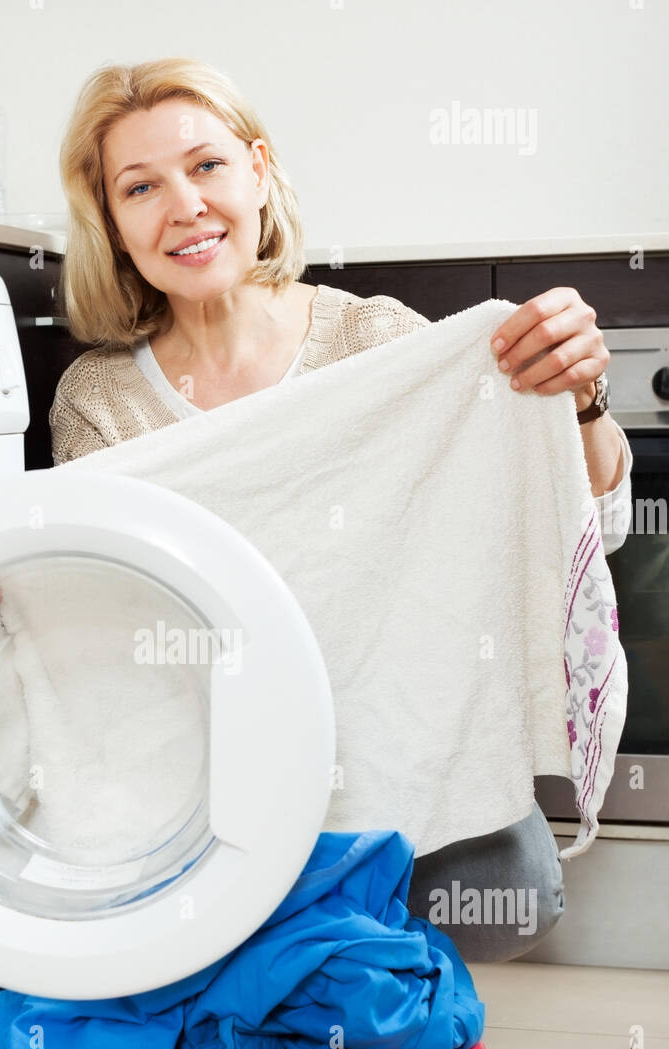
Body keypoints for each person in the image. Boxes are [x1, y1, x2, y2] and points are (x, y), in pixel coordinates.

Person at [42, 56, 635, 964]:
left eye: (206, 167)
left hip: (394, 748)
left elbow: (598, 522)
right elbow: (106, 627)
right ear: (114, 226)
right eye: (140, 187)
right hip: (213, 771)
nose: (185, 206)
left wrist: (582, 398)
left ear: (257, 169)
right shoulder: (100, 400)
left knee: (506, 893)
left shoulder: (377, 343)